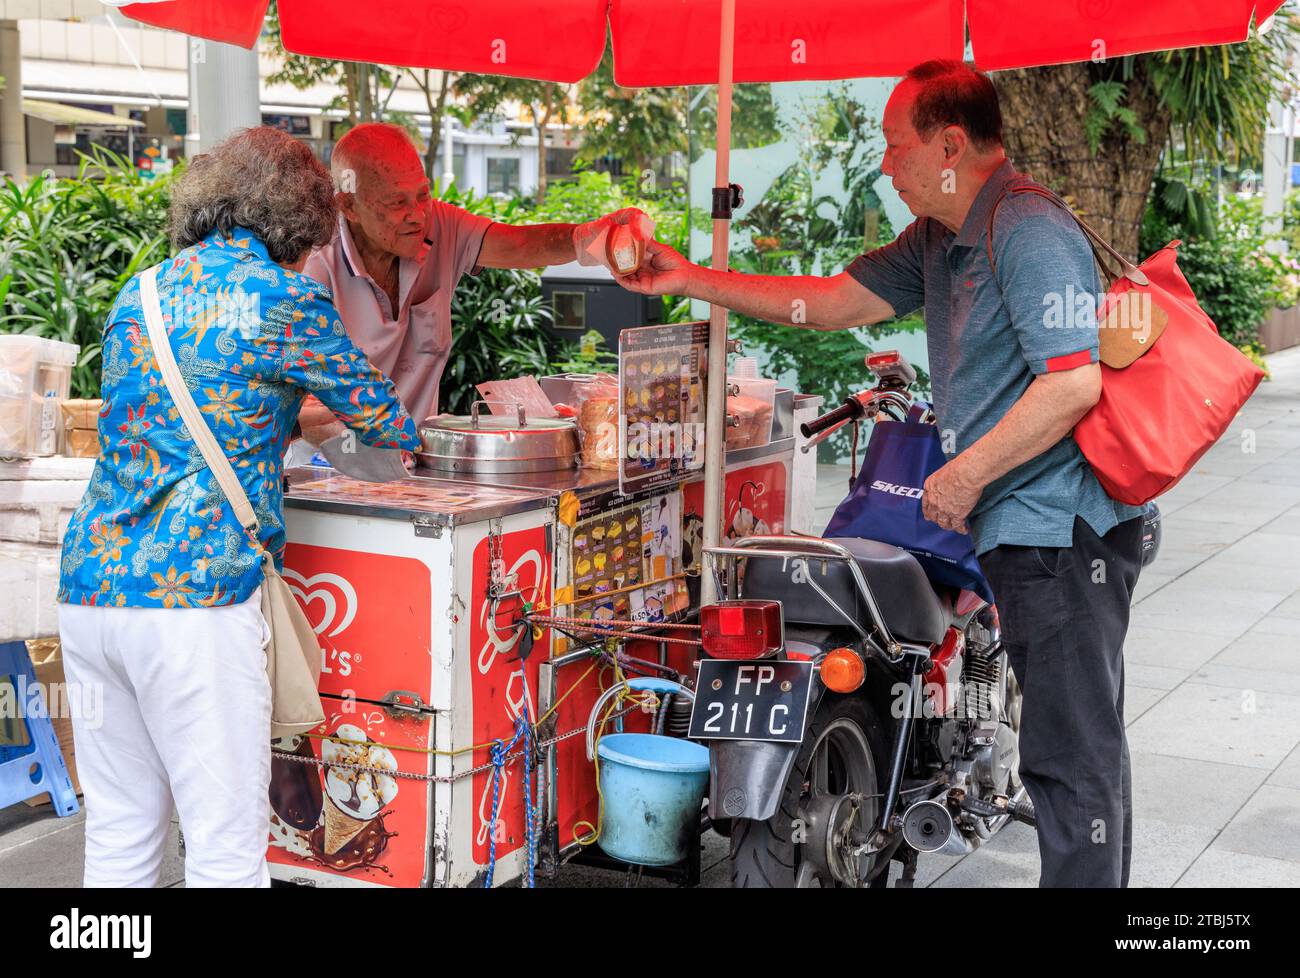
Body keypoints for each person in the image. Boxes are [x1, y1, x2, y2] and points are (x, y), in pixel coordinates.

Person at [619, 60, 1147, 888]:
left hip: (1063, 532)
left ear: (951, 144)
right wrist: (684, 278)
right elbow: (829, 303)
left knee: (1071, 758)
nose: (884, 164)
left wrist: (964, 476)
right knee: (1074, 746)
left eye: (895, 147)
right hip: (1019, 531)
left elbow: (1074, 380)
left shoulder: (1029, 229)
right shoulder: (941, 235)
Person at [56, 126, 422, 888]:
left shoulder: (142, 291)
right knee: (225, 847)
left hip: (90, 592)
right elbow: (385, 419)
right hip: (196, 600)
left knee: (121, 834)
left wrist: (280, 412)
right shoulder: (285, 296)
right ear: (302, 221)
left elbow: (173, 414)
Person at [292, 122, 652, 469]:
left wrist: (597, 238)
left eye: (422, 195)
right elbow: (302, 405)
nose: (417, 215)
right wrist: (370, 454)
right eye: (396, 203)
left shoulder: (440, 227)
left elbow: (521, 245)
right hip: (326, 476)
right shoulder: (311, 265)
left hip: (412, 471)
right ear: (349, 207)